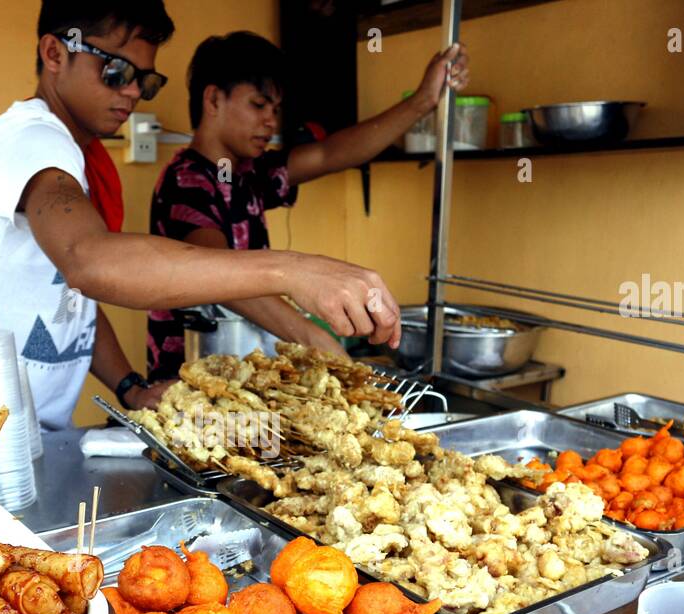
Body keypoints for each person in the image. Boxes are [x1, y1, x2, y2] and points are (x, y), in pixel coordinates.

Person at [0, 1, 401, 430]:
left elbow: (70, 302)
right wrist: (295, 272)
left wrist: (130, 387)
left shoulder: (72, 157)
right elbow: (88, 261)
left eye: (145, 81)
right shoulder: (32, 140)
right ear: (55, 53)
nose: (132, 91)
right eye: (117, 71)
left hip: (31, 435)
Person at [147, 31, 469, 382]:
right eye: (258, 105)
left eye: (276, 109)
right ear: (213, 100)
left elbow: (333, 153)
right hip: (189, 386)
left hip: (245, 379)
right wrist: (313, 338)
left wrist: (423, 101)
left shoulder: (250, 173)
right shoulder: (187, 181)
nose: (271, 121)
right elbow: (216, 271)